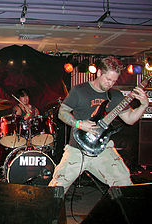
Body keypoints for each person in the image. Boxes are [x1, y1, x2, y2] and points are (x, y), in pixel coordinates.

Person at [48, 56, 149, 194]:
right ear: (99, 73)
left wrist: (144, 105)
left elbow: (130, 119)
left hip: (103, 149)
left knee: (125, 186)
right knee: (56, 190)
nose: (110, 84)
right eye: (108, 79)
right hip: (77, 150)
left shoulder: (116, 95)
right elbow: (62, 113)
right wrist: (78, 124)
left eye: (114, 81)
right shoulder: (80, 90)